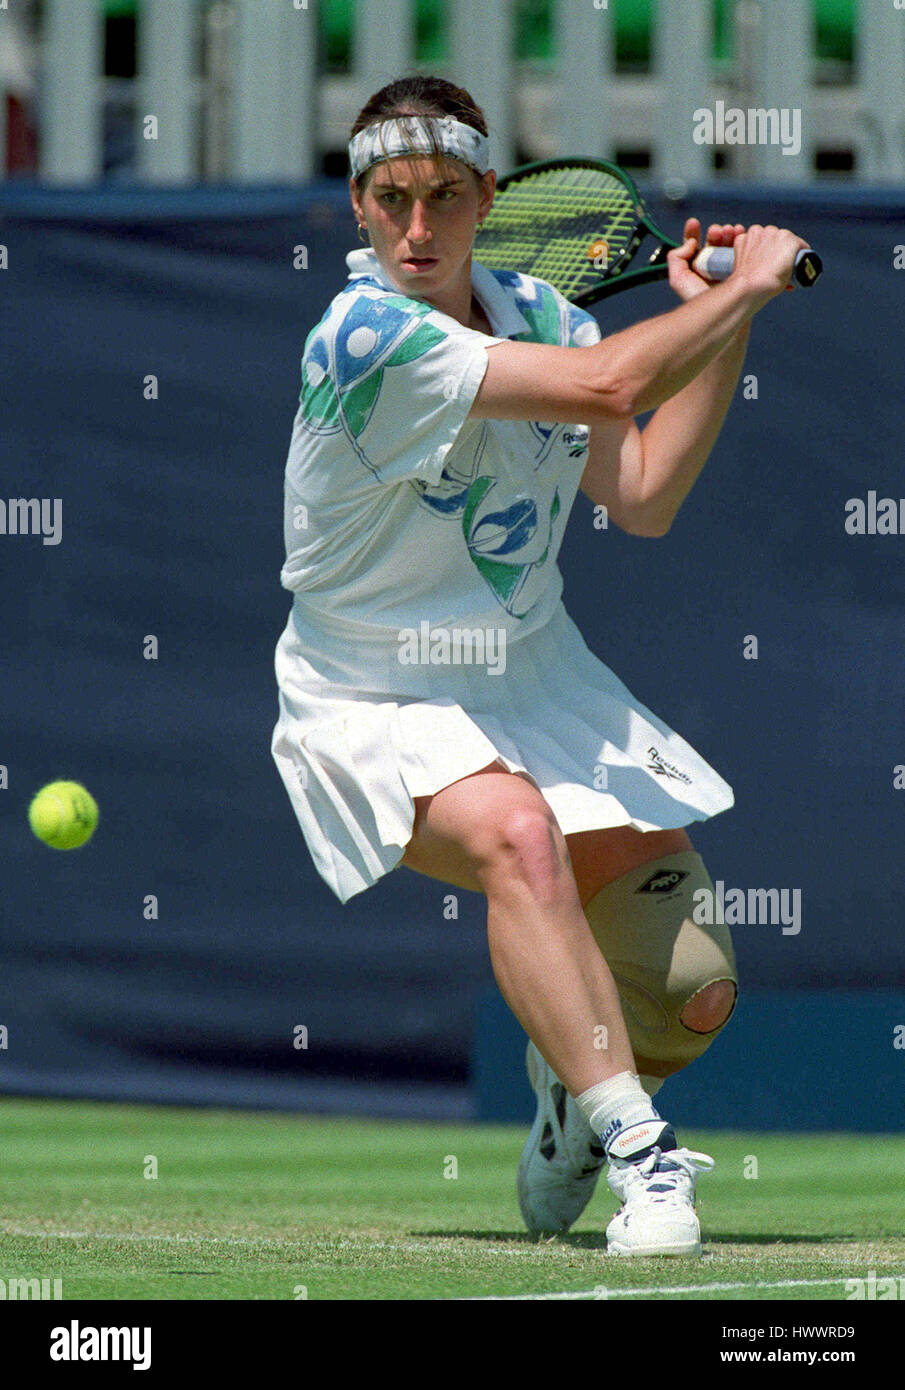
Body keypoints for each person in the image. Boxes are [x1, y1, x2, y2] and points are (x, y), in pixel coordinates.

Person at [271, 75, 809, 1256]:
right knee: (516, 835)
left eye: (444, 199)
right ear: (358, 208)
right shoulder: (363, 335)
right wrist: (744, 288)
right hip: (372, 693)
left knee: (692, 988)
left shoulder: (549, 316)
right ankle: (642, 1158)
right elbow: (617, 383)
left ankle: (573, 1090)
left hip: (534, 677)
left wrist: (728, 322)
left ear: (487, 199)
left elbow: (644, 494)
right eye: (392, 200)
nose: (418, 230)